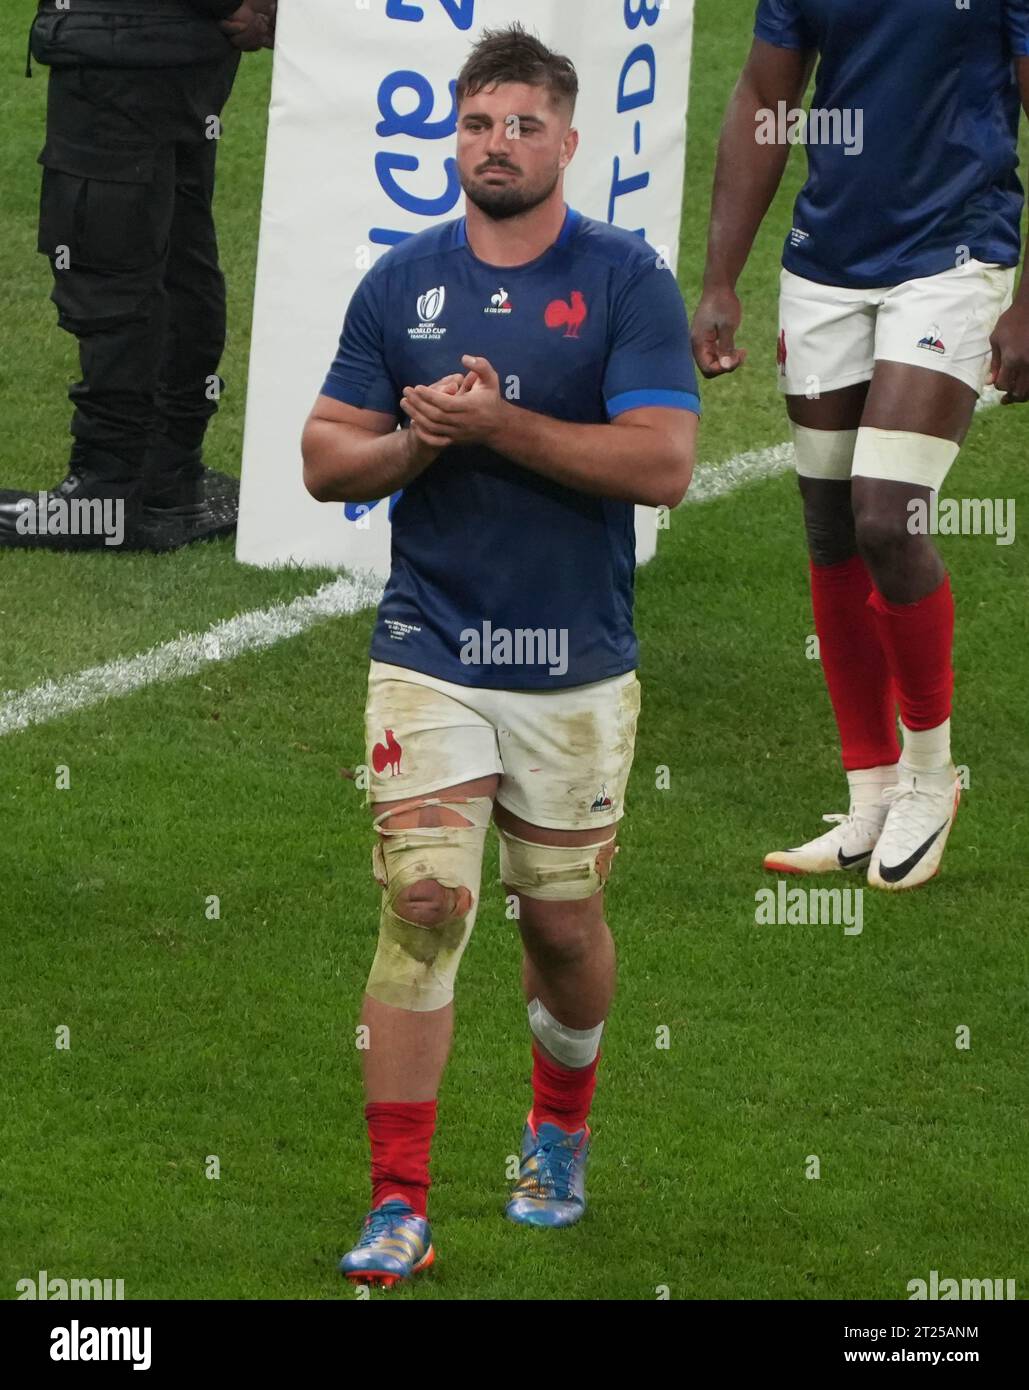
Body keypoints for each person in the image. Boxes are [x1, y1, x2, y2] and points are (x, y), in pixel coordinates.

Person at [301, 23, 699, 1287]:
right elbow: (324, 458)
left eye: (524, 125)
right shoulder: (399, 282)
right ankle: (399, 1204)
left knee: (561, 924)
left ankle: (560, 1125)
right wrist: (420, 448)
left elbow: (664, 465)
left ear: (569, 143)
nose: (498, 144)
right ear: (453, 135)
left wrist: (497, 425)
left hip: (578, 664)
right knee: (424, 905)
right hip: (432, 644)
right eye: (478, 124)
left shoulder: (626, 279)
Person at [692, 1, 1029, 890]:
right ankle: (868, 788)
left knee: (886, 515)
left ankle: (929, 777)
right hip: (825, 264)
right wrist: (721, 277)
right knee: (830, 523)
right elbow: (766, 96)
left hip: (953, 256)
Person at [0, 0, 275, 552]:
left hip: (120, 45)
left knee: (107, 262)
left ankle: (106, 490)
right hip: (188, 48)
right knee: (180, 252)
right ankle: (168, 472)